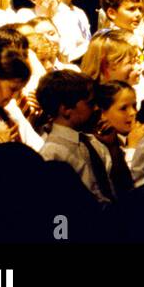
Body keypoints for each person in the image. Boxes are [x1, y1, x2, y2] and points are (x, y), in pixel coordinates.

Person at [37, 70, 116, 205]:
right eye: (90, 104)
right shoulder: (52, 154)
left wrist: (113, 147)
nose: (96, 108)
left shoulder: (93, 142)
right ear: (66, 109)